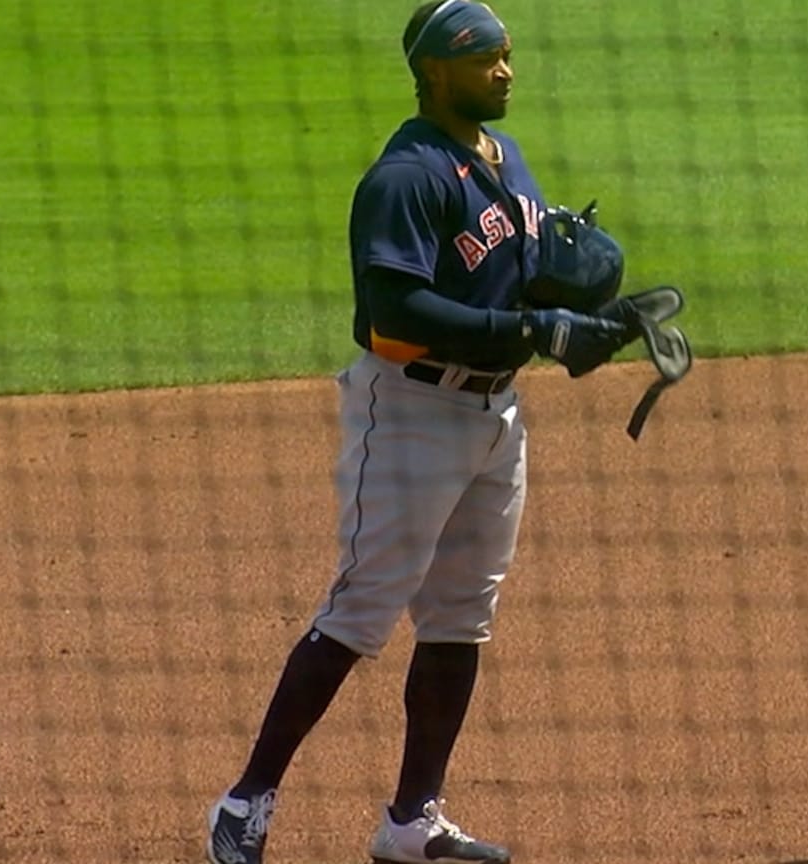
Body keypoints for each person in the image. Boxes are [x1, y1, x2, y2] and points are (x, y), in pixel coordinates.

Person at [205, 2, 632, 863]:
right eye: (483, 59)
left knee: (461, 618)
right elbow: (394, 318)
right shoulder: (405, 177)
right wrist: (536, 330)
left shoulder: (505, 157)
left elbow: (518, 276)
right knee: (363, 607)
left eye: (506, 54)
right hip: (410, 415)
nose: (504, 71)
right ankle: (245, 802)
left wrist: (577, 315)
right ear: (435, 70)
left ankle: (412, 821)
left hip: (495, 418)